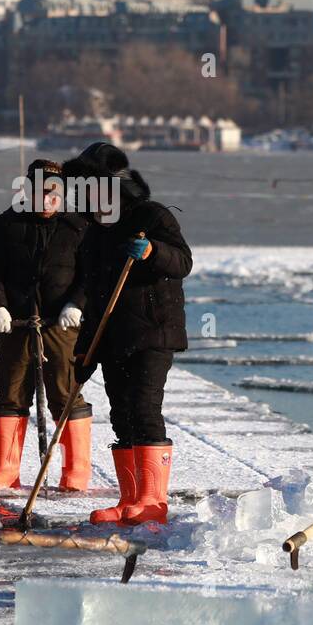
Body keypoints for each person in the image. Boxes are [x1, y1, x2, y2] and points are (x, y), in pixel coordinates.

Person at [63, 142, 192, 525]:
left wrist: (153, 251)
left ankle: (152, 501)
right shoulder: (92, 233)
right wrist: (85, 353)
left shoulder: (150, 216)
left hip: (153, 331)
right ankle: (129, 500)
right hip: (111, 336)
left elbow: (183, 261)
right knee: (121, 415)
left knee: (144, 407)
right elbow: (92, 293)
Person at [0, 158, 92, 491]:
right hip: (15, 323)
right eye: (43, 192)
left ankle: (76, 469)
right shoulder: (8, 223)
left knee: (65, 391)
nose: (49, 199)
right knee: (10, 392)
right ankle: (6, 468)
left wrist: (77, 304)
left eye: (55, 193)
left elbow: (91, 274)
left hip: (62, 324)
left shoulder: (77, 226)